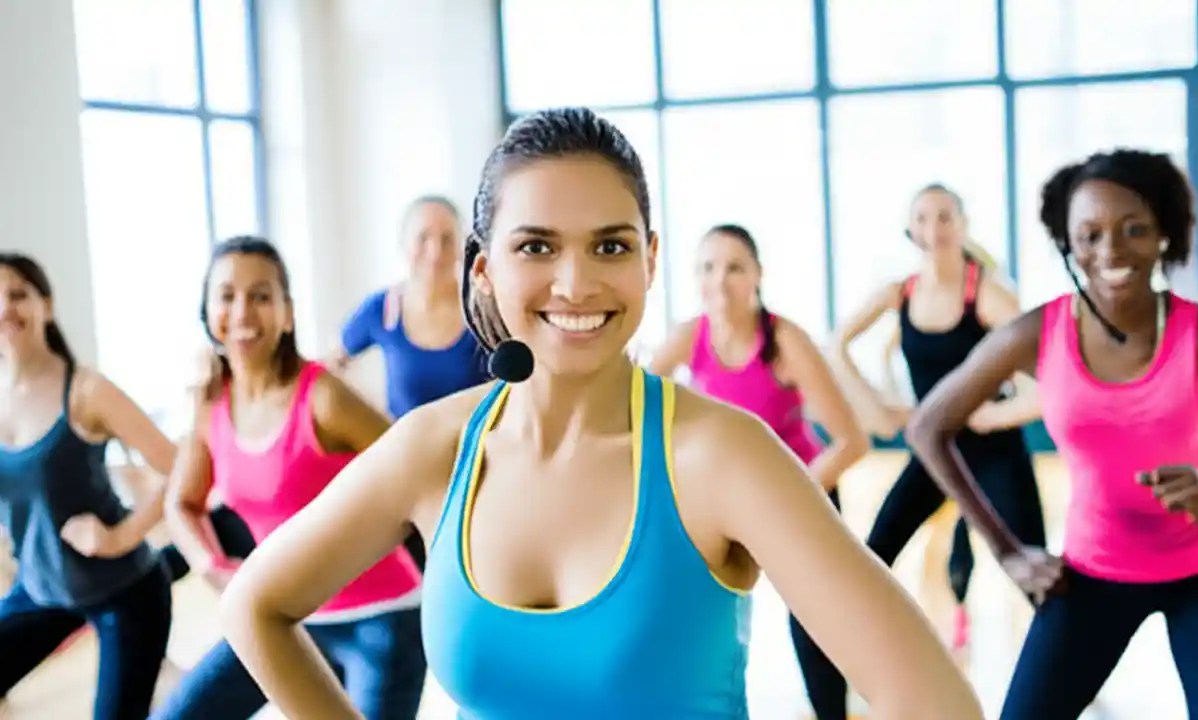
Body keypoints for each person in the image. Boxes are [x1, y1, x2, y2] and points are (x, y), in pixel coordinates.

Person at [215, 107, 982, 720]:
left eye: (610, 247)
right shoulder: (435, 449)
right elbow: (257, 605)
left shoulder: (717, 456)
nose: (576, 282)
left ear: (650, 259)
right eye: (537, 246)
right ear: (484, 270)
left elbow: (937, 702)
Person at [906, 149, 1198, 720]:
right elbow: (928, 427)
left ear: (1164, 236)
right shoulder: (1038, 332)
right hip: (1092, 574)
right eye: (1090, 234)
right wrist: (1009, 553)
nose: (1111, 251)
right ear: (1068, 242)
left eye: (1134, 229)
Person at [154, 237, 425, 720]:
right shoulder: (211, 404)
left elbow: (419, 466)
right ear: (207, 310)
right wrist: (210, 564)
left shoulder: (323, 398)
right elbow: (182, 504)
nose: (243, 312)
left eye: (261, 296)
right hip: (278, 616)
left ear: (287, 313)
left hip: (379, 623)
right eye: (227, 295)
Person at [649, 223, 868, 720]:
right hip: (724, 505)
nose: (719, 281)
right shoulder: (690, 336)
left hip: (801, 493)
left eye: (734, 268)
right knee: (700, 620)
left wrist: (781, 500)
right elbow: (633, 407)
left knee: (814, 630)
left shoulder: (786, 341)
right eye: (707, 267)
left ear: (757, 276)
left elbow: (851, 442)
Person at [831, 184, 1046, 655]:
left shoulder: (986, 296)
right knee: (876, 552)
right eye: (924, 218)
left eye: (946, 216)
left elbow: (1047, 383)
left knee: (1034, 571)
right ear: (911, 229)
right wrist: (878, 410)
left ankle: (1074, 670)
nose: (935, 228)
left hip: (993, 453)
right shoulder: (899, 293)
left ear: (963, 225)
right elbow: (837, 344)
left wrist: (991, 416)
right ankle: (859, 656)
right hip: (932, 452)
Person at [0, 253, 176, 720]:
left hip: (126, 589)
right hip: (40, 591)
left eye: (18, 294)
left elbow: (178, 469)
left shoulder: (86, 392)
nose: (5, 308)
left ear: (47, 305)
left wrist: (119, 537)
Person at [332, 195, 488, 570]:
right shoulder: (382, 310)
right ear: (405, 246)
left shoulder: (483, 307)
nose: (435, 251)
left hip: (477, 478)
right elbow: (326, 370)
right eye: (423, 238)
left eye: (447, 238)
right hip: (408, 478)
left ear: (463, 244)